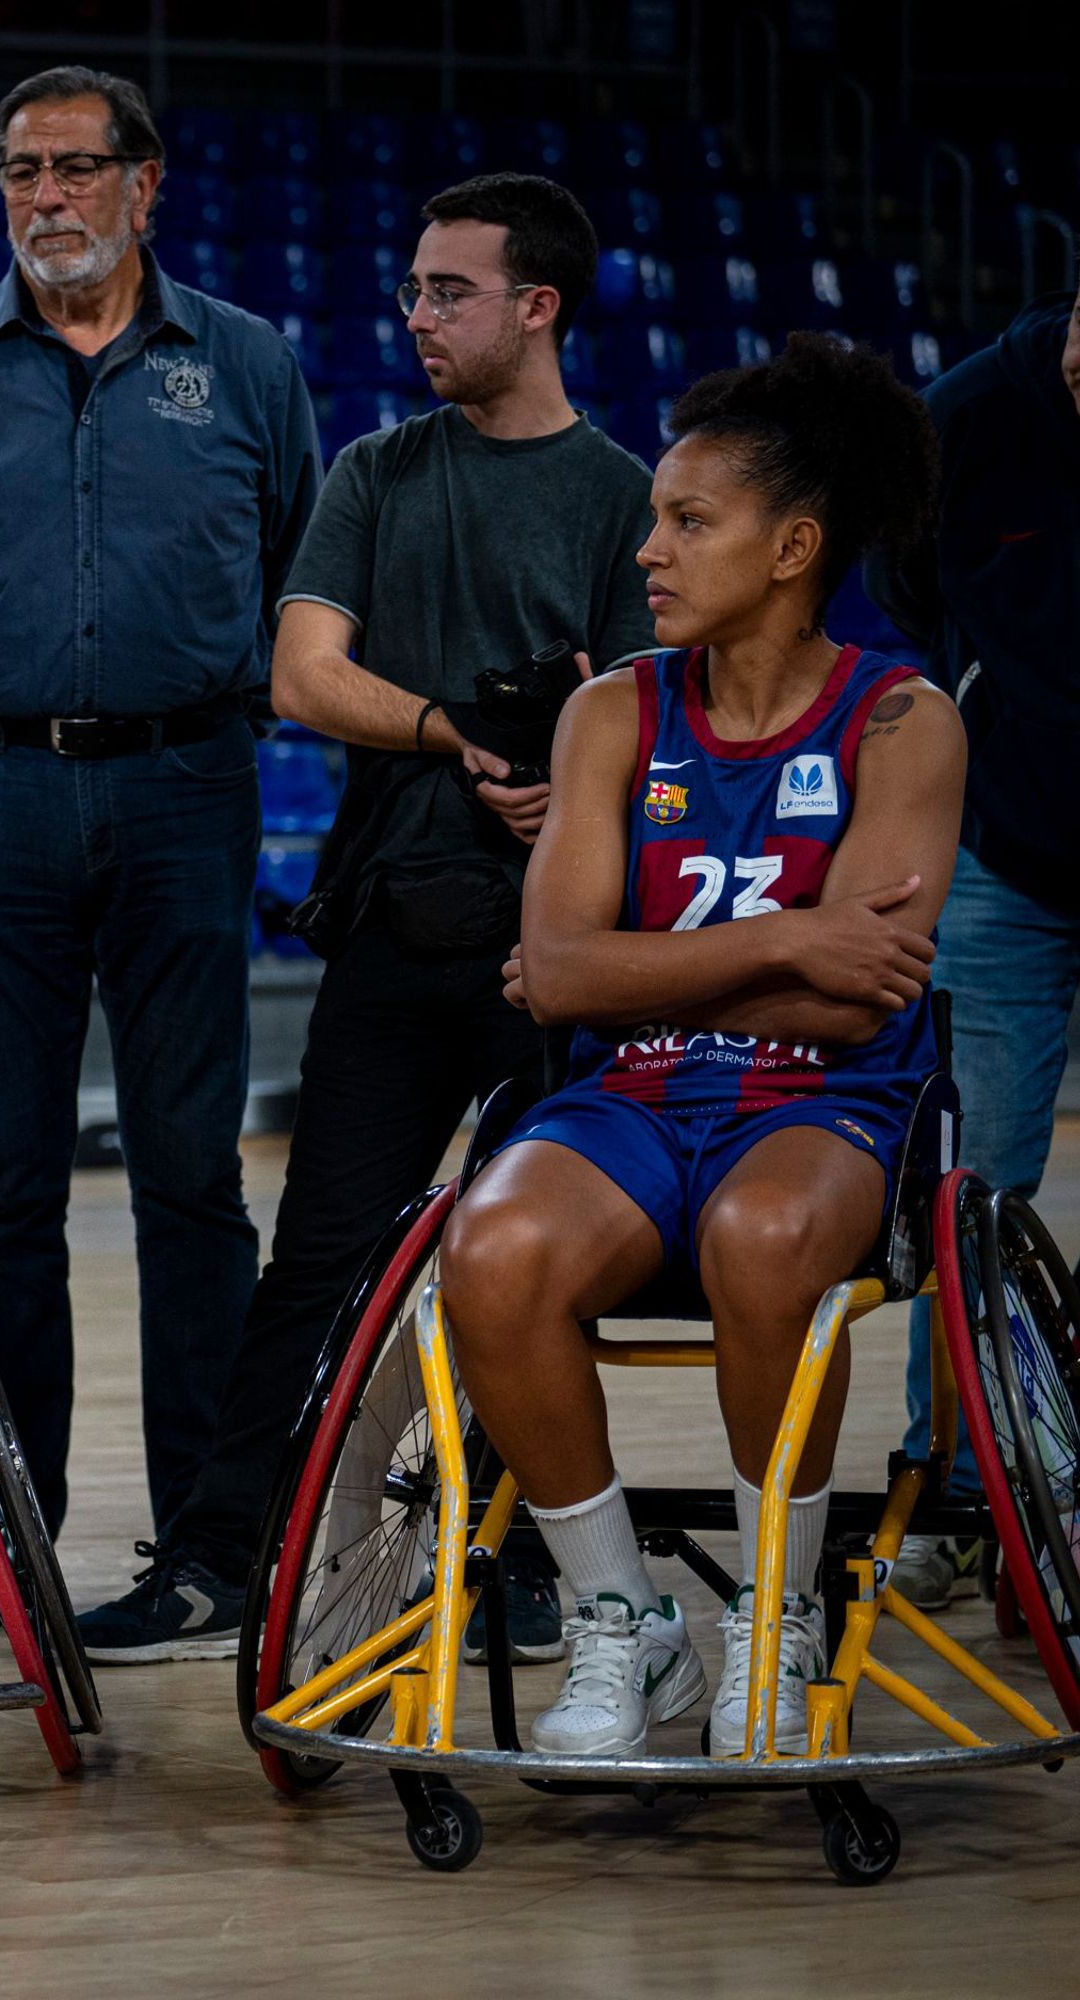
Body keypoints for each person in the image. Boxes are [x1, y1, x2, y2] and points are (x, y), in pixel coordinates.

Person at [74, 175, 658, 1663]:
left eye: (448, 292)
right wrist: (454, 733)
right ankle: (219, 1554)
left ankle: (513, 1551)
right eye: (410, 288)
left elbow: (658, 716)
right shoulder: (379, 472)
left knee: (529, 1266)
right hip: (401, 923)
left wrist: (571, 778)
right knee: (323, 1257)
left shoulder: (627, 497)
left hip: (564, 952)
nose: (415, 317)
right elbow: (302, 674)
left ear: (538, 305)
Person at [439, 336, 953, 1759]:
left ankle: (774, 1620)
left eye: (688, 522)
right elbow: (556, 972)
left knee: (766, 1233)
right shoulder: (613, 709)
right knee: (488, 1251)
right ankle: (628, 1624)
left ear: (793, 546)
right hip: (633, 1099)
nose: (650, 549)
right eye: (656, 518)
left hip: (828, 1102)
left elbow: (859, 1005)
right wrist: (789, 939)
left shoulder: (904, 719)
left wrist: (635, 978)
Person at [0, 66, 319, 1564]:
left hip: (191, 786)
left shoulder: (245, 365)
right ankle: (7, 1526)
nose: (44, 197)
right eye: (19, 171)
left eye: (72, 167)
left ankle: (211, 1532)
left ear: (144, 182)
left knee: (194, 1177)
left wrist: (214, 700)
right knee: (4, 1191)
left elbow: (302, 568)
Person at [871, 289, 1080, 1610]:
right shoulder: (968, 419)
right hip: (1008, 859)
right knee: (974, 1190)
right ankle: (952, 1485)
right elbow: (904, 585)